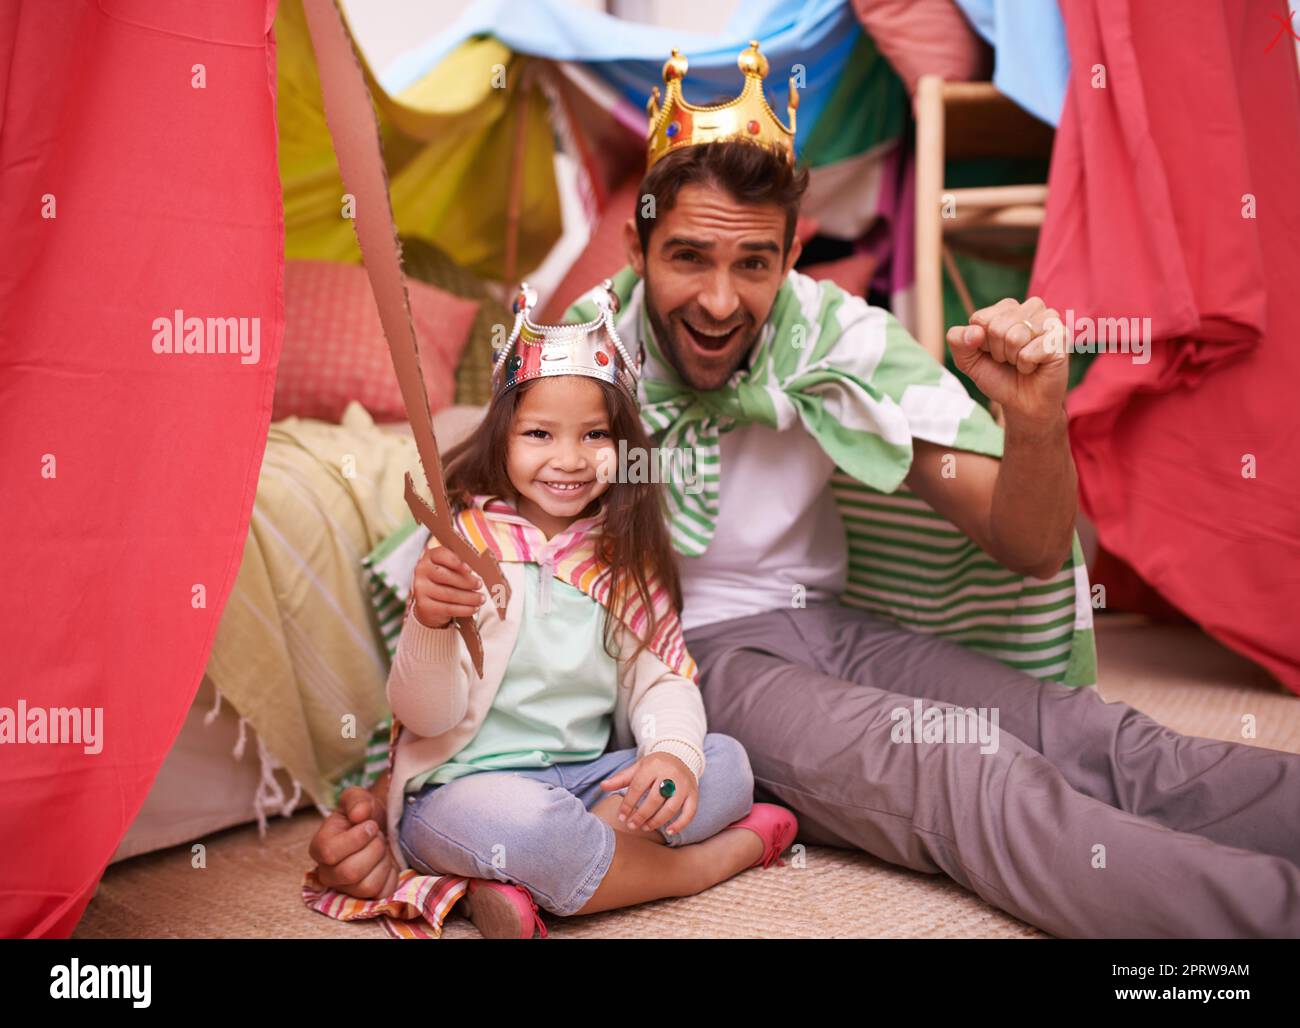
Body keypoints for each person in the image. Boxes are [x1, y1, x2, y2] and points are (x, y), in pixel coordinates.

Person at [314, 42, 1300, 938]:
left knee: (1093, 733)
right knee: (959, 771)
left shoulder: (836, 342)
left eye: (751, 262)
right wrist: (405, 786)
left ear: (790, 256)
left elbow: (1027, 544)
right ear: (637, 251)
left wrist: (1035, 421)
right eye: (687, 257)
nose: (716, 297)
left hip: (830, 623)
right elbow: (487, 557)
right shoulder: (585, 357)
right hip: (689, 662)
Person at [310, 283, 796, 939]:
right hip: (469, 791)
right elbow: (425, 716)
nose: (568, 460)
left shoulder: (622, 559)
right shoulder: (466, 545)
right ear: (502, 437)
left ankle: (530, 879)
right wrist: (429, 624)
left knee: (727, 763)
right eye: (539, 433)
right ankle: (710, 862)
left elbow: (662, 682)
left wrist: (672, 756)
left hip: (591, 783)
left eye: (594, 434)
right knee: (528, 826)